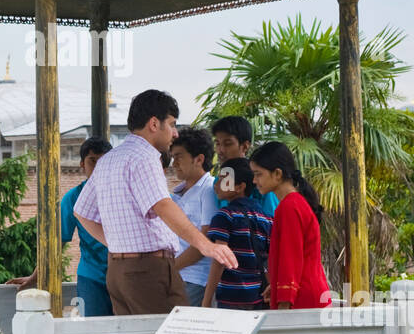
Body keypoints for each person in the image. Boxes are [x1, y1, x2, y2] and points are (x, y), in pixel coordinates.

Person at [73, 90, 237, 316]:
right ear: (153, 124)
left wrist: (116, 244)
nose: (175, 133)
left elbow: (82, 212)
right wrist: (205, 245)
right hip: (148, 269)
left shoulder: (109, 159)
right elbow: (162, 205)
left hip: (117, 269)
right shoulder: (145, 156)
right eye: (171, 124)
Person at [250, 141, 329, 334]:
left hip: (300, 301)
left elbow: (292, 258)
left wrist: (284, 303)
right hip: (309, 295)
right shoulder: (295, 203)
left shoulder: (289, 207)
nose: (255, 180)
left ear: (278, 174)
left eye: (259, 174)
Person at [7, 137, 113, 316]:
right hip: (92, 275)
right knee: (94, 333)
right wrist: (35, 277)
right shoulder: (73, 198)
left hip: (123, 273)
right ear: (82, 164)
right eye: (92, 161)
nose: (97, 167)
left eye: (103, 161)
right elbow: (57, 243)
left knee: (128, 332)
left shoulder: (122, 191)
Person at [201, 157, 273, 334]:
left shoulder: (224, 216)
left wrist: (207, 298)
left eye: (224, 177)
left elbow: (218, 260)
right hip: (258, 300)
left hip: (232, 299)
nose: (217, 183)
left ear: (241, 185)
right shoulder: (265, 216)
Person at [169, 127, 219, 307]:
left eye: (179, 157)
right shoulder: (177, 193)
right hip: (178, 276)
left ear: (199, 159)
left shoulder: (208, 190)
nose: (174, 163)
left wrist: (170, 268)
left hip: (195, 279)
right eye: (173, 157)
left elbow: (205, 241)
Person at [211, 116, 279, 218]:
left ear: (245, 146)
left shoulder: (261, 181)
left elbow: (272, 222)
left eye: (227, 144)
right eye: (217, 143)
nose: (220, 150)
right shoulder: (217, 183)